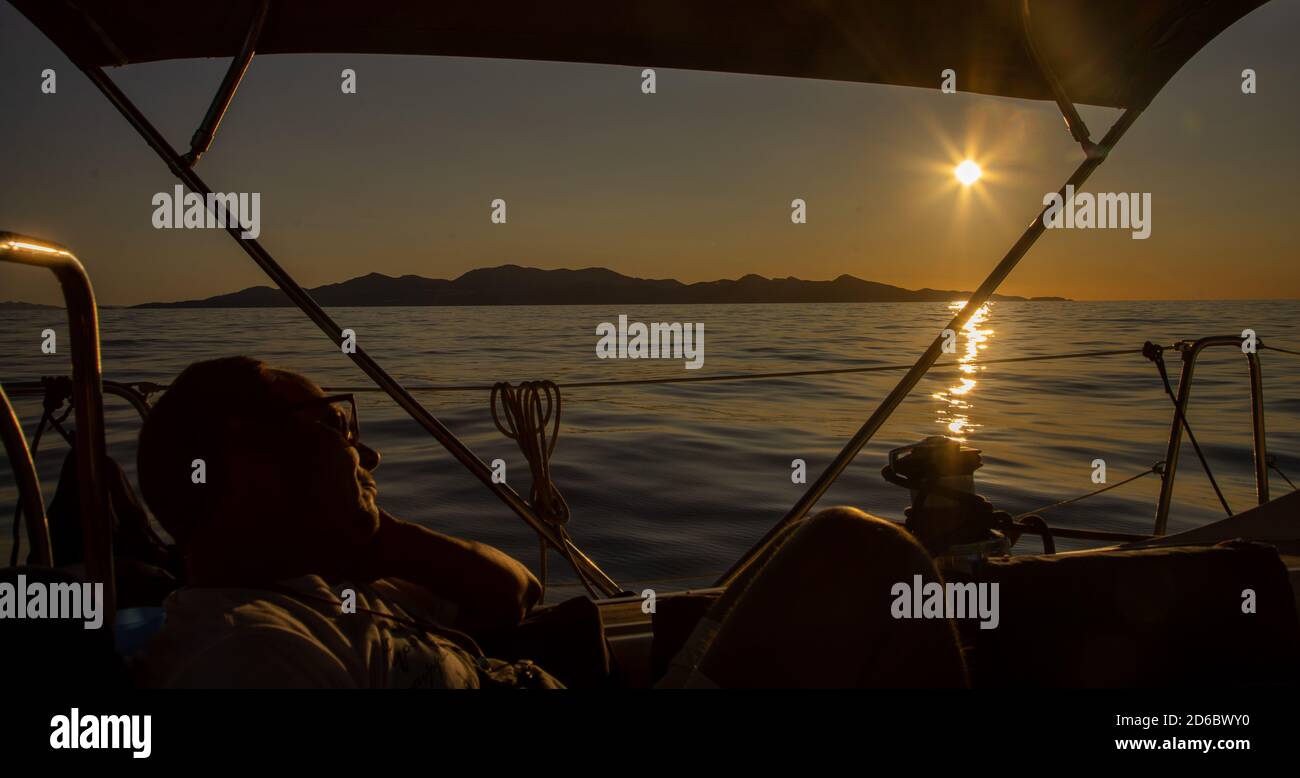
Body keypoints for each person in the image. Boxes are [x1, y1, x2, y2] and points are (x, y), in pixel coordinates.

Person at [135, 356, 967, 689]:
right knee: (859, 552)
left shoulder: (329, 590)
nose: (370, 456)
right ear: (243, 466)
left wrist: (374, 536)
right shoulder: (252, 652)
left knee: (791, 564)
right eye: (337, 428)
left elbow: (515, 595)